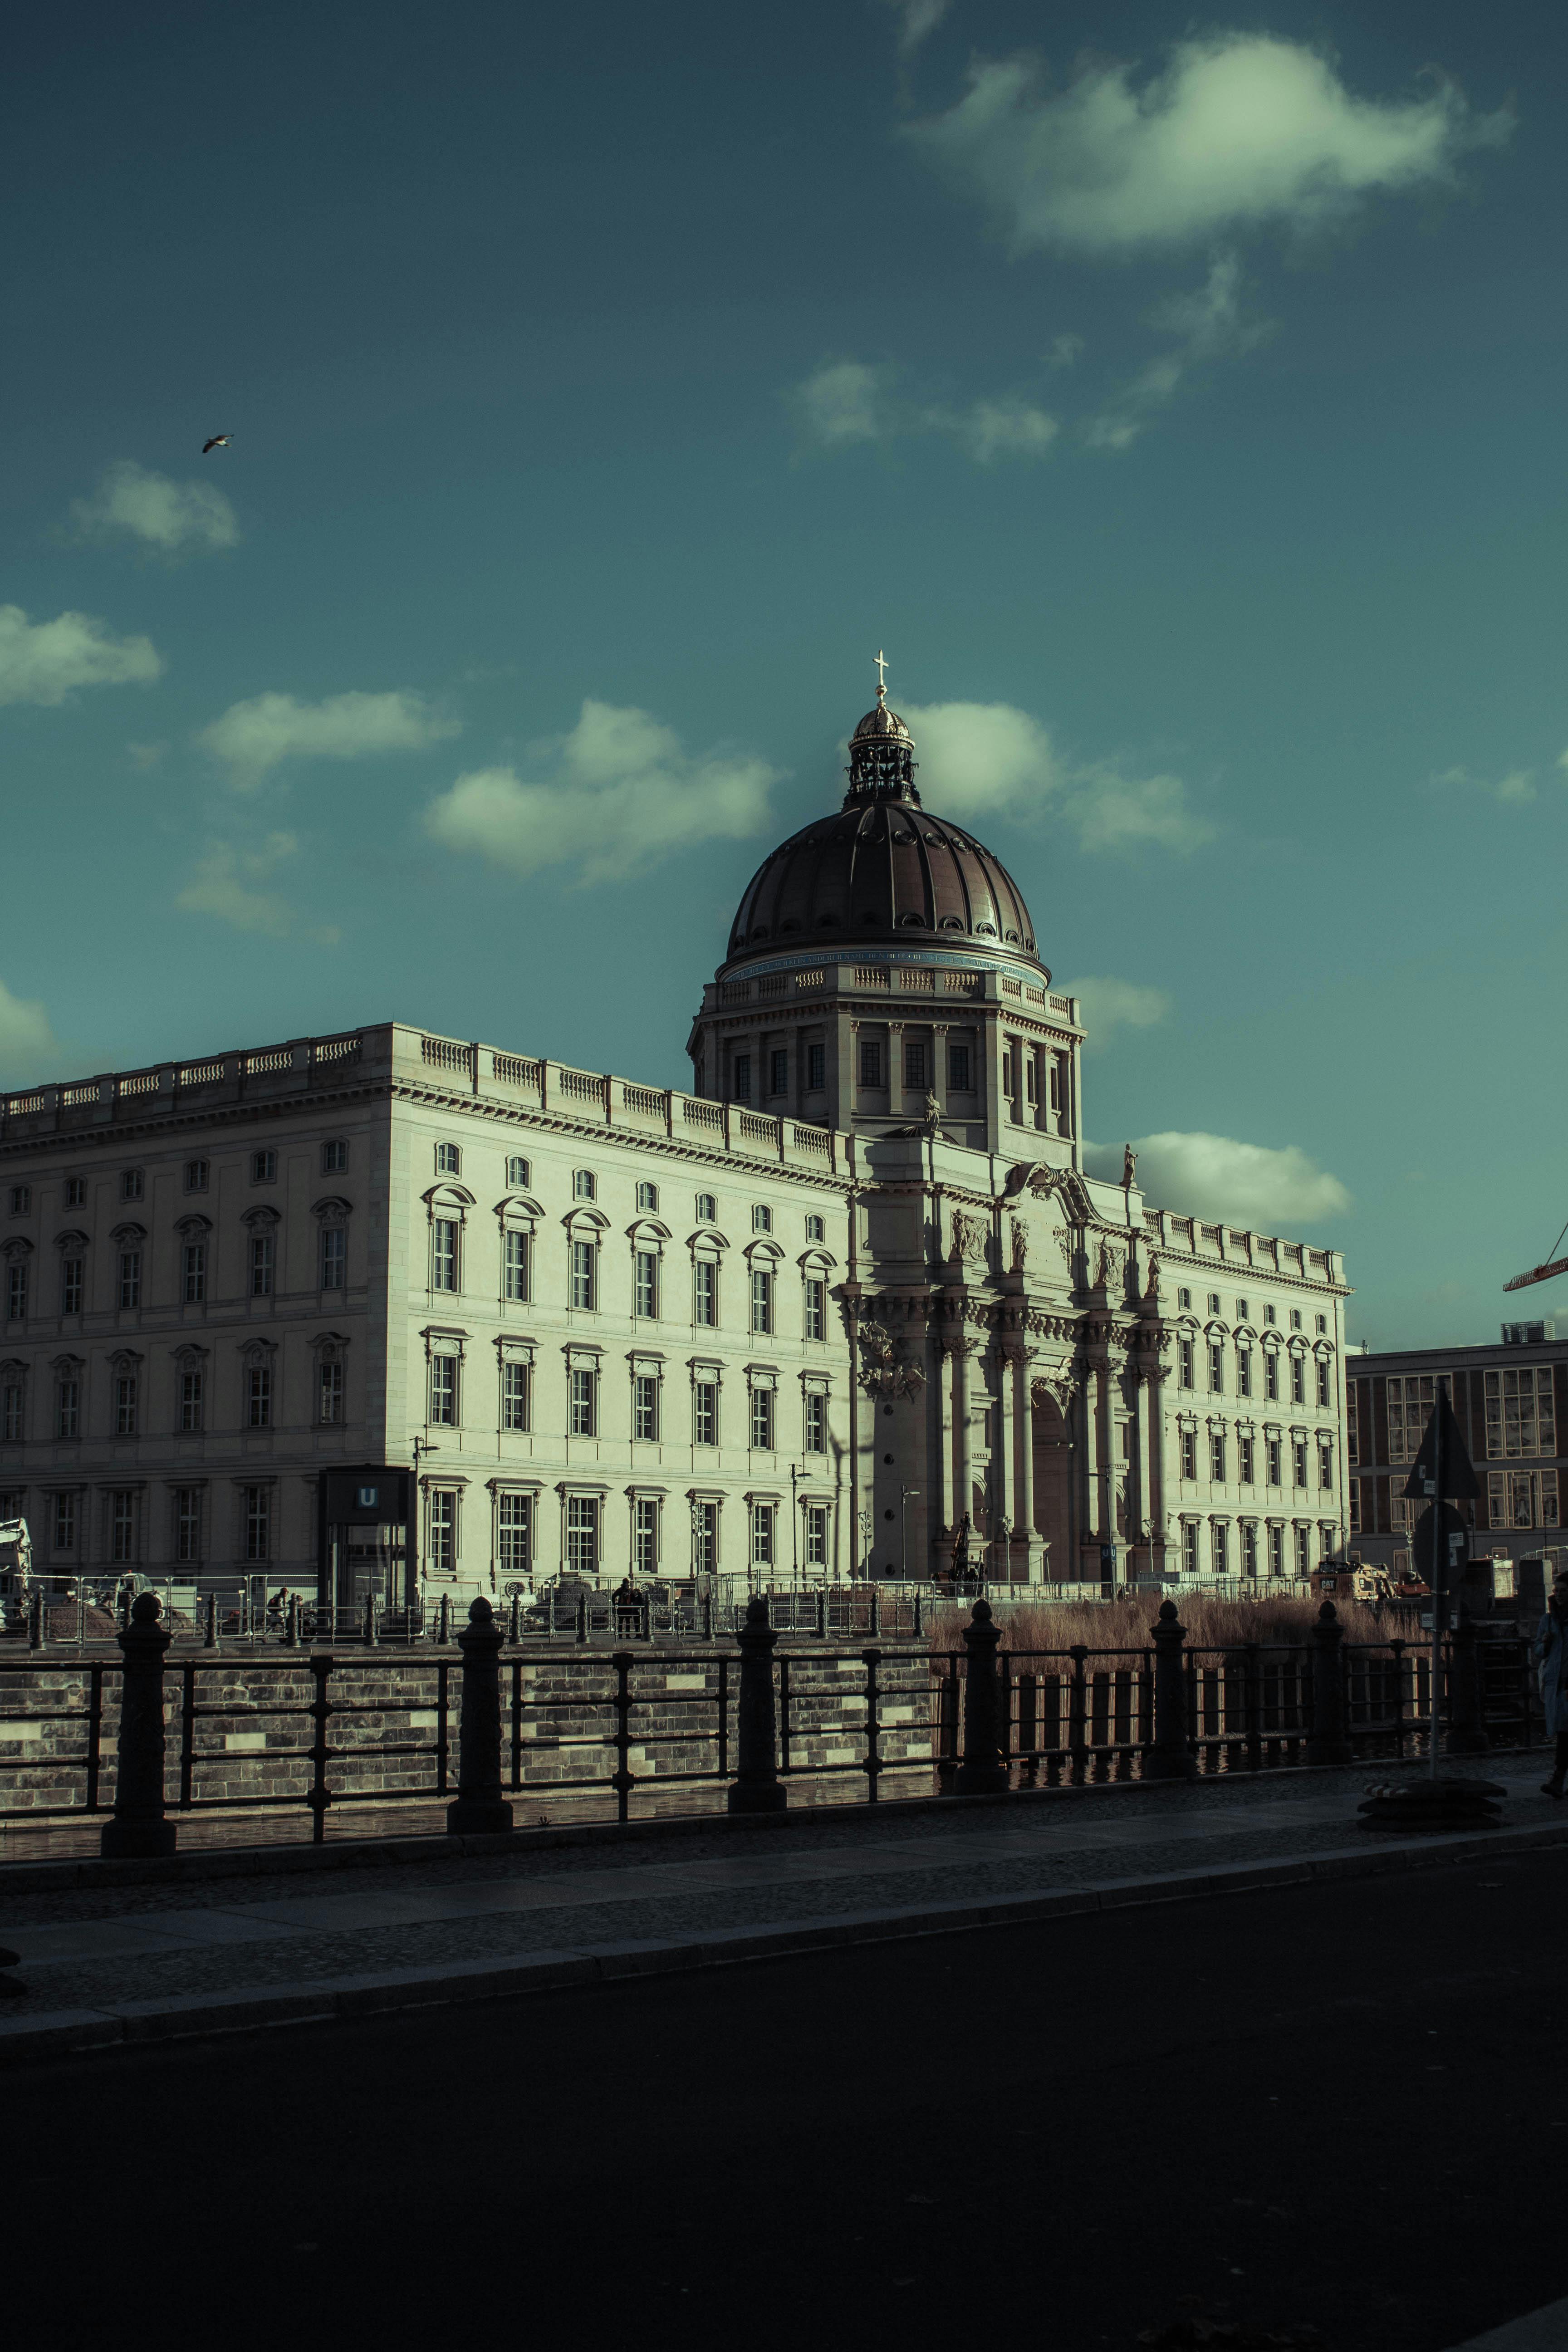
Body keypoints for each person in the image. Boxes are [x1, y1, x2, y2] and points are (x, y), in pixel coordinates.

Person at [1534, 1568, 1568, 1797]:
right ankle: (1558, 1779)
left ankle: (1557, 1778)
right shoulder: (1548, 1620)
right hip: (1556, 1685)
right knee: (1563, 1733)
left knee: (1566, 1735)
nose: (1559, 1595)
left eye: (1564, 1591)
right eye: (1557, 1590)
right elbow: (1538, 1651)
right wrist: (1545, 1644)